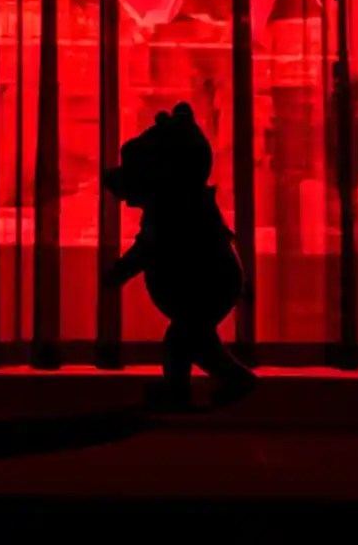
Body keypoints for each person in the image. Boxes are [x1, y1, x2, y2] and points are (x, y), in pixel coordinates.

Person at [102, 102, 257, 412]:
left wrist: (121, 270)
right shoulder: (180, 201)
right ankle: (206, 384)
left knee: (183, 338)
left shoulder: (172, 207)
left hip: (208, 283)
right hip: (213, 281)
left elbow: (149, 247)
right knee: (193, 338)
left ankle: (210, 384)